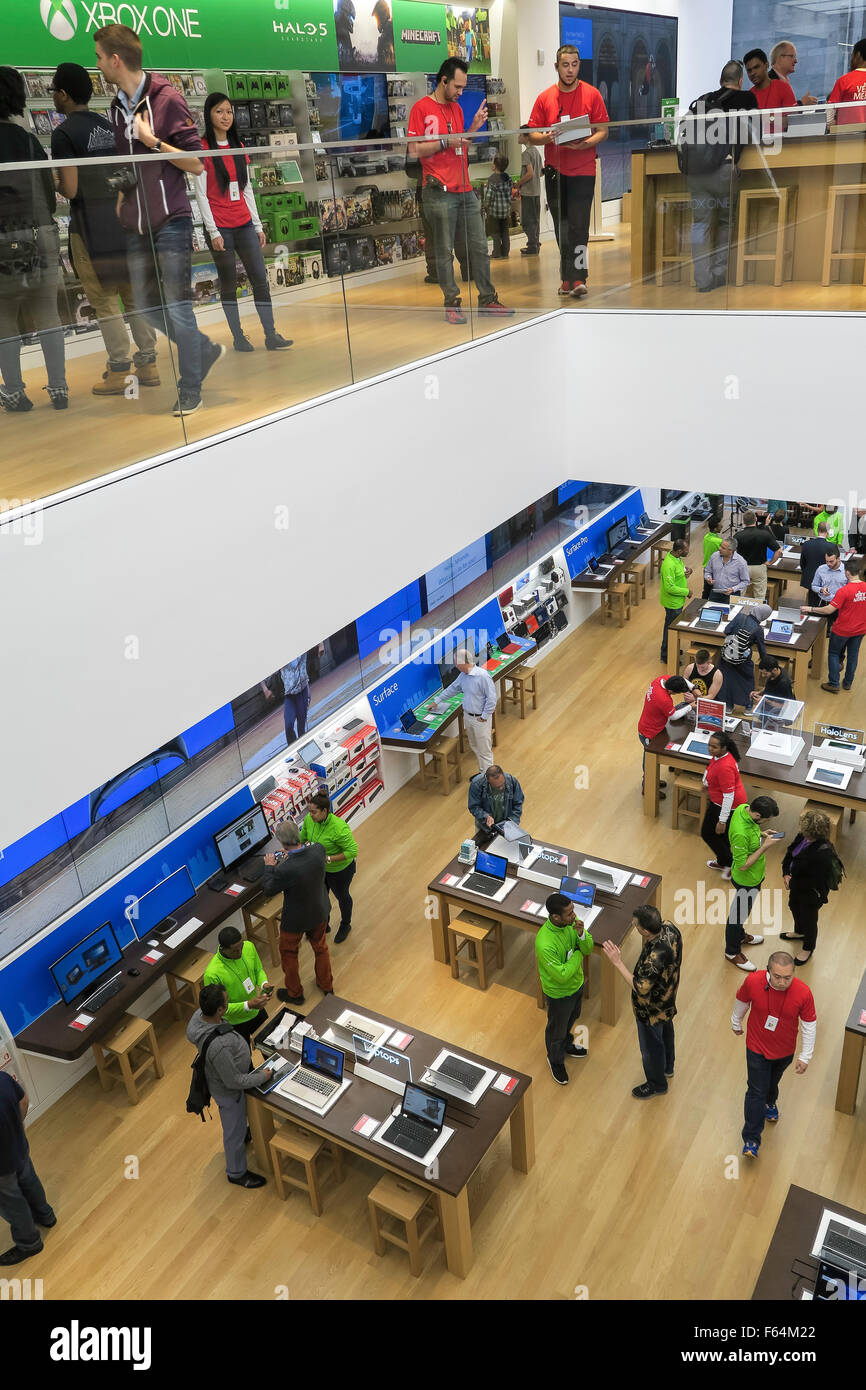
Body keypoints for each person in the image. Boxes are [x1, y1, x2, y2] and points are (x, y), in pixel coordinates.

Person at [96, 23, 226, 418]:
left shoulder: (167, 98)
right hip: (136, 223)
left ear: (115, 60)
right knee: (145, 307)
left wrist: (152, 141)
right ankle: (202, 350)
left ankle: (190, 387)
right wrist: (121, 197)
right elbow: (126, 162)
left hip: (171, 221)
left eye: (100, 58)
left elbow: (195, 164)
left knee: (177, 305)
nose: (98, 65)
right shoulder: (116, 107)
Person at [50, 62, 159, 397]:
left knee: (103, 299)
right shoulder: (111, 124)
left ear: (64, 95)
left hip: (90, 227)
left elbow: (69, 189)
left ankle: (119, 369)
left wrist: (50, 178)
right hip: (124, 221)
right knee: (132, 295)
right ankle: (148, 363)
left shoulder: (63, 133)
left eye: (54, 91)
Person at [407, 59, 513, 325]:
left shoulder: (455, 109)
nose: (461, 92)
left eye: (464, 87)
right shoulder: (421, 109)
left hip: (465, 189)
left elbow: (460, 145)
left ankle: (488, 299)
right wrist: (444, 141)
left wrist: (474, 128)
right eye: (457, 86)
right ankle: (452, 303)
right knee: (444, 251)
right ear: (443, 80)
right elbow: (414, 150)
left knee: (479, 246)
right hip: (438, 190)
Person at [193, 94, 292, 353]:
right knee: (228, 283)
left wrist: (258, 225)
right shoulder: (202, 148)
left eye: (229, 111)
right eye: (219, 111)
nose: (226, 116)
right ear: (209, 114)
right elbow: (201, 194)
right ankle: (238, 337)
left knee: (260, 278)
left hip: (244, 223)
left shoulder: (238, 145)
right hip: (220, 227)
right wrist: (213, 231)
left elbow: (247, 190)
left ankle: (271, 335)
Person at [0, 66, 68, 413]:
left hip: (2, 241)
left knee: (4, 316)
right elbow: (47, 189)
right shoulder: (28, 140)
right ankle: (59, 388)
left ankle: (13, 392)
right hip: (41, 234)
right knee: (48, 314)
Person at [525, 45, 609, 299]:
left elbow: (603, 130)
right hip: (555, 171)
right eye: (565, 65)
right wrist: (548, 138)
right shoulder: (545, 98)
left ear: (579, 66)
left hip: (584, 169)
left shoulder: (592, 95)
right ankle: (566, 278)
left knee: (579, 226)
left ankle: (579, 278)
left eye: (574, 65)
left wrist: (586, 143)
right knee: (562, 226)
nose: (570, 70)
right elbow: (531, 134)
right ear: (556, 67)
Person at [677, 61, 758, 293]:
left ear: (720, 81)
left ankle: (702, 281)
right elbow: (755, 133)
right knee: (725, 221)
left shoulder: (702, 100)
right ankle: (719, 274)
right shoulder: (746, 99)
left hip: (695, 172)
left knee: (700, 223)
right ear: (740, 81)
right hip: (723, 170)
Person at [186, 982, 271, 1189]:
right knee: (233, 1131)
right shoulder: (219, 1046)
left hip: (222, 1077)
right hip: (229, 1092)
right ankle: (236, 1172)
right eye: (226, 1002)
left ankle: (245, 1134)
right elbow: (234, 1081)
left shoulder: (198, 1018)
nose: (229, 1003)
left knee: (239, 1125)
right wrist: (263, 1076)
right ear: (220, 1010)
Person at [731, 951, 816, 1157]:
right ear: (768, 971)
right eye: (777, 976)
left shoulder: (803, 993)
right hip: (756, 1047)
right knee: (756, 1091)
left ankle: (771, 1101)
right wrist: (736, 1020)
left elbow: (809, 1025)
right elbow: (742, 1000)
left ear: (793, 973)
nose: (781, 982)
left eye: (787, 977)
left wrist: (805, 1056)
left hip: (784, 1051)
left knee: (771, 1082)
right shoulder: (753, 981)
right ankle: (751, 1139)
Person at [602, 905, 682, 1098]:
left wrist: (617, 962)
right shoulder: (671, 928)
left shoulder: (654, 960)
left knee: (651, 1048)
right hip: (668, 999)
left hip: (650, 1009)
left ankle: (657, 1084)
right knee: (666, 1033)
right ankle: (668, 1066)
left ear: (645, 931)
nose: (634, 926)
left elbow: (640, 987)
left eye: (636, 925)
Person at [261, 819, 333, 1005]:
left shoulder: (285, 868)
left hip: (295, 920)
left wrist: (269, 866)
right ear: (299, 834)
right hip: (318, 910)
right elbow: (305, 857)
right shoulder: (318, 850)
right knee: (321, 948)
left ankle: (295, 994)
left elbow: (268, 889)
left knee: (289, 954)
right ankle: (326, 986)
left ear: (282, 842)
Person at [535, 891, 593, 1085]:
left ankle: (566, 1045)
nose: (574, 916)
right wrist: (578, 955)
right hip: (559, 994)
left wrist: (581, 934)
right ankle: (555, 1059)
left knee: (572, 1019)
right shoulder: (545, 943)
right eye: (569, 913)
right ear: (555, 917)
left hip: (576, 985)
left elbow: (588, 949)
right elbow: (561, 976)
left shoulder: (572, 925)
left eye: (573, 910)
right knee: (556, 1030)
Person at [0, 1072, 56, 1266]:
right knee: (29, 1180)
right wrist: (17, 1130)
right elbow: (23, 1101)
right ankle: (45, 1216)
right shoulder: (3, 1078)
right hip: (19, 1146)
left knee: (11, 1203)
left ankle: (29, 1243)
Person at [725, 795, 781, 971]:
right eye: (766, 819)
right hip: (746, 880)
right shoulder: (741, 833)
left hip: (755, 875)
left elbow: (752, 831)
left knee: (743, 911)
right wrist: (765, 846)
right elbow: (742, 865)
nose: (766, 821)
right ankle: (732, 952)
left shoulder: (744, 808)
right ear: (757, 815)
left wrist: (762, 834)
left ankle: (740, 936)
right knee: (737, 916)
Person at [780, 808, 841, 965]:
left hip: (811, 893)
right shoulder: (803, 837)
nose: (803, 833)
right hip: (796, 886)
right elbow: (790, 852)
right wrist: (786, 873)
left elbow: (813, 881)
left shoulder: (823, 854)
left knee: (809, 919)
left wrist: (791, 881)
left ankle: (808, 947)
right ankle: (799, 932)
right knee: (793, 906)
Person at [299, 790, 358, 943]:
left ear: (325, 811)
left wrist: (328, 859)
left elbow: (352, 851)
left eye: (314, 812)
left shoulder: (339, 827)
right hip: (319, 870)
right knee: (321, 898)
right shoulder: (309, 820)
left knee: (342, 897)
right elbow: (303, 837)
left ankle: (345, 924)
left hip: (341, 871)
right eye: (309, 811)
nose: (310, 815)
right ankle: (324, 924)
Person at [803, 556, 866, 692]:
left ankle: (833, 683)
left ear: (847, 573)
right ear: (859, 571)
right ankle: (848, 683)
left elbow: (828, 609)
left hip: (842, 629)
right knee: (853, 655)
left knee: (833, 653)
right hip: (860, 629)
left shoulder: (844, 591)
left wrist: (810, 608)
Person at [203, 926, 272, 1046]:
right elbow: (218, 1009)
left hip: (257, 1011)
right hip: (235, 1024)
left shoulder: (249, 946)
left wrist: (263, 983)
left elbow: (258, 970)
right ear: (223, 949)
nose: (240, 952)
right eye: (235, 950)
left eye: (241, 946)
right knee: (244, 1061)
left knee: (273, 1046)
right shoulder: (212, 974)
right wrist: (248, 1005)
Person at [637, 675, 694, 796]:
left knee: (650, 758)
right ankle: (648, 787)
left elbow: (682, 679)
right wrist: (690, 706)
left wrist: (694, 687)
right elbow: (673, 716)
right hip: (649, 733)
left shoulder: (659, 680)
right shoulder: (663, 699)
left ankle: (653, 781)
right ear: (671, 691)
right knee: (650, 760)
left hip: (651, 727)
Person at [702, 730, 746, 878]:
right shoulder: (719, 757)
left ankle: (729, 863)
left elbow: (729, 796)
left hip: (726, 805)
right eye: (709, 745)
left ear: (724, 748)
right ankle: (723, 861)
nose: (710, 749)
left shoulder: (725, 767)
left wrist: (722, 820)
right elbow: (710, 768)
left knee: (708, 833)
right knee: (722, 837)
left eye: (714, 747)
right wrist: (706, 782)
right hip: (719, 801)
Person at [450, 648, 497, 773]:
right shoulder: (462, 676)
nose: (455, 665)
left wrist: (484, 716)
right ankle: (483, 774)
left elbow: (492, 699)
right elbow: (452, 689)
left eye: (456, 662)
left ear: (462, 663)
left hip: (480, 719)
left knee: (485, 751)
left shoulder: (483, 676)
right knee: (475, 746)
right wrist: (437, 701)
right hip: (468, 717)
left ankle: (488, 781)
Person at [717, 603, 769, 709]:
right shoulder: (758, 629)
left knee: (726, 678)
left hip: (726, 656)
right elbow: (761, 649)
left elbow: (726, 631)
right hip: (743, 660)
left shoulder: (740, 616)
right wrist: (766, 663)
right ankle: (748, 705)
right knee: (748, 679)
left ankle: (728, 706)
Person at [261, 655, 311, 746]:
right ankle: (293, 749)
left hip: (302, 692)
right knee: (288, 725)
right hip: (289, 696)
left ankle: (303, 748)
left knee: (301, 727)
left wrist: (320, 645)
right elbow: (262, 677)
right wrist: (265, 690)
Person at [735, 509, 781, 601]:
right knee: (760, 597)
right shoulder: (764, 534)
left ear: (743, 521)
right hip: (760, 567)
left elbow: (730, 551)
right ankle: (758, 614)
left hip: (742, 568)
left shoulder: (737, 535)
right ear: (756, 519)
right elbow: (779, 551)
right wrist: (771, 562)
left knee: (738, 596)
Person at [744, 48, 797, 125]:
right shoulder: (748, 96)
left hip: (781, 136)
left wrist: (763, 120)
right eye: (749, 70)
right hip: (757, 136)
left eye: (756, 67)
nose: (752, 73)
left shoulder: (783, 87)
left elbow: (792, 120)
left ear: (766, 65)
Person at [468, 764, 524, 836]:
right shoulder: (476, 784)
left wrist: (512, 823)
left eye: (502, 784)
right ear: (488, 781)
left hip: (507, 824)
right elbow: (474, 807)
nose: (501, 788)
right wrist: (485, 816)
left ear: (503, 775)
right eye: (497, 787)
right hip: (485, 827)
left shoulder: (512, 781)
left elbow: (518, 803)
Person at [659, 538, 691, 660]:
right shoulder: (669, 565)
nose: (688, 551)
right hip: (672, 603)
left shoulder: (677, 558)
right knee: (671, 629)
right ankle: (667, 655)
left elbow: (680, 571)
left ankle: (672, 648)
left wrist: (688, 570)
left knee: (673, 627)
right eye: (686, 549)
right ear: (679, 551)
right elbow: (669, 587)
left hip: (678, 601)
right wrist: (687, 592)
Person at [827, 40, 866, 126]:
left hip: (846, 135)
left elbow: (829, 114)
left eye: (852, 55)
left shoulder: (844, 80)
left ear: (858, 55)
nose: (851, 60)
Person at [517, 130, 542, 255]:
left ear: (526, 137)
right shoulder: (537, 152)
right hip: (536, 191)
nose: (518, 137)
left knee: (528, 221)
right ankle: (535, 244)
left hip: (528, 192)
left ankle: (532, 246)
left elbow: (530, 173)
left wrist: (518, 183)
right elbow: (540, 172)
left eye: (520, 135)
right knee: (535, 219)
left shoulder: (526, 154)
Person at [812, 548, 849, 631]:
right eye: (827, 561)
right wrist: (821, 589)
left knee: (837, 632)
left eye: (831, 561)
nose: (828, 564)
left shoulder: (847, 571)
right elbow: (814, 586)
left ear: (838, 559)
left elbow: (850, 590)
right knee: (819, 630)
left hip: (839, 607)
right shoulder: (821, 569)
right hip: (823, 604)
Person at [482, 154, 512, 259]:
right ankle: (505, 252)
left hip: (494, 212)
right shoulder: (508, 178)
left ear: (495, 166)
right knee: (505, 232)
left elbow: (489, 196)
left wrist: (485, 205)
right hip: (505, 211)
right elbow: (509, 194)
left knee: (495, 234)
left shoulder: (492, 179)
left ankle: (496, 253)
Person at [704, 538, 750, 602]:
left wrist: (733, 589)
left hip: (732, 595)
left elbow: (746, 581)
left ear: (731, 550)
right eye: (720, 546)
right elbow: (707, 571)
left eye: (723, 548)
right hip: (715, 593)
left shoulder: (741, 562)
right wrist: (708, 578)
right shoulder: (714, 556)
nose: (719, 548)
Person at [799, 522, 830, 605]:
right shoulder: (831, 546)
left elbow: (802, 562)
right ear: (828, 531)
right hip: (826, 581)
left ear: (817, 530)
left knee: (811, 601)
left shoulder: (807, 544)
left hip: (810, 578)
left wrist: (806, 572)